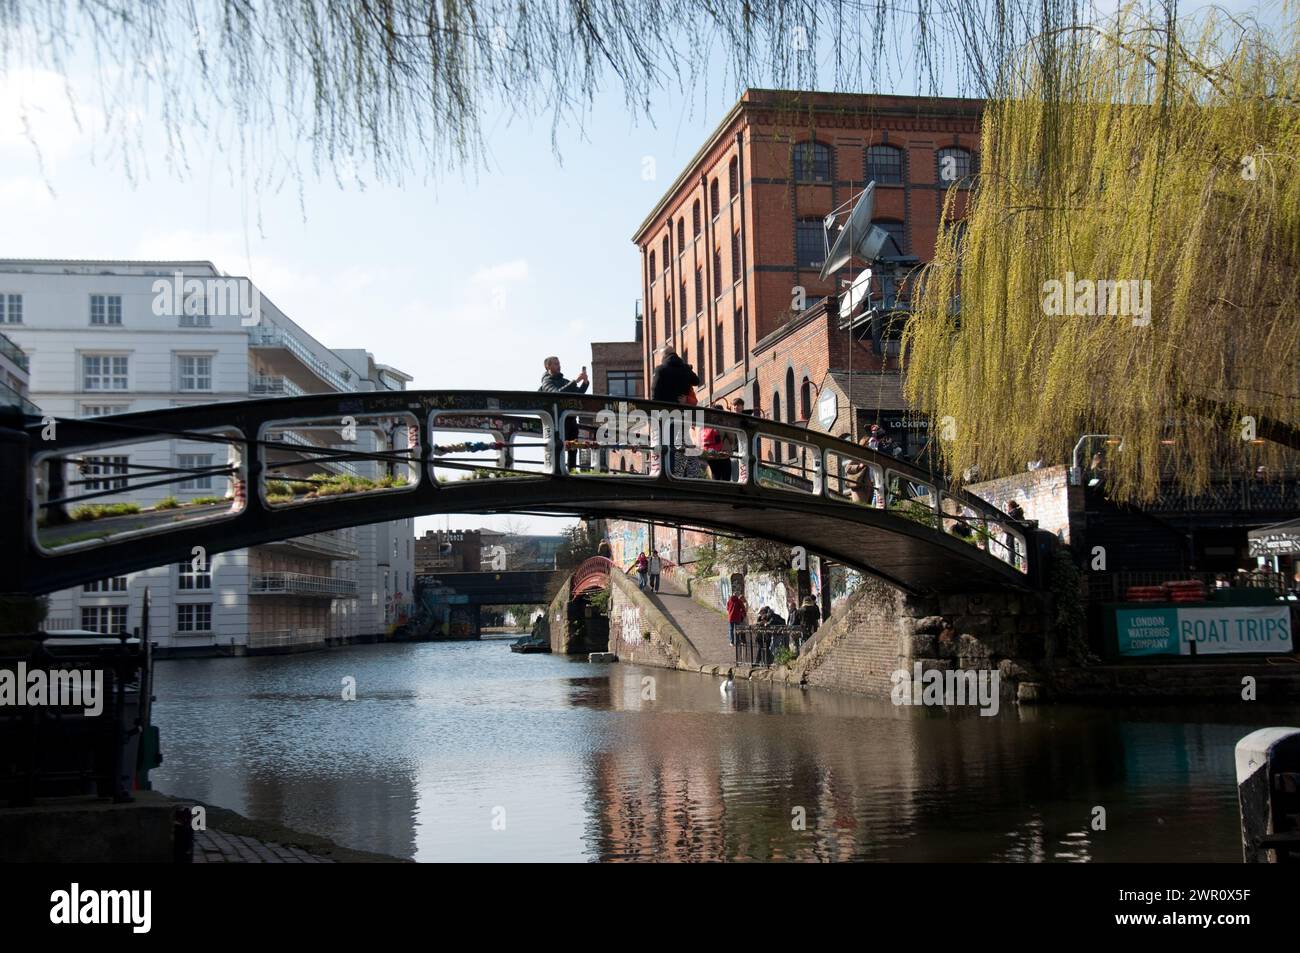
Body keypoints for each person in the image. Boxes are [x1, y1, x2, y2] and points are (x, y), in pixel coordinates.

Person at [538, 356, 589, 471]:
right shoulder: (547, 382)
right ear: (548, 366)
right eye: (555, 364)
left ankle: (572, 470)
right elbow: (556, 394)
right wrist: (575, 381)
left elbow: (578, 394)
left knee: (573, 447)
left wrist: (584, 383)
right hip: (557, 421)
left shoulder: (564, 381)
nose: (559, 366)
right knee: (558, 446)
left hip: (570, 419)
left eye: (558, 363)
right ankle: (557, 470)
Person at [701, 403, 730, 481]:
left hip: (711, 456)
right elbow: (731, 441)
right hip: (723, 456)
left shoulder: (705, 425)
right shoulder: (725, 425)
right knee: (726, 481)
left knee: (714, 479)